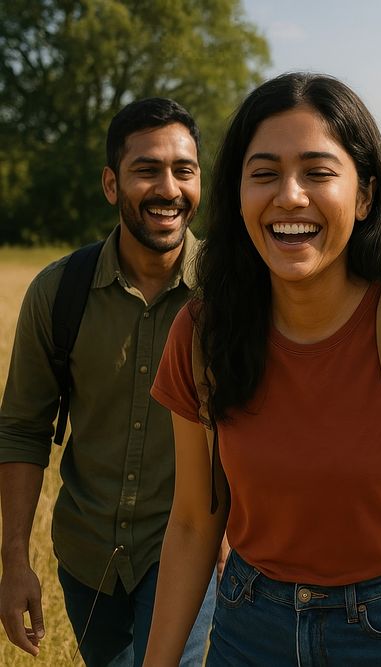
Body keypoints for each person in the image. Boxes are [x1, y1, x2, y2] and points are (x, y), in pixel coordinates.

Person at [142, 72, 381, 667]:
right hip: (249, 625)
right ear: (238, 194)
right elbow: (193, 522)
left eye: (318, 172)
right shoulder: (201, 335)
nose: (290, 196)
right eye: (263, 173)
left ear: (365, 195)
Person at [0, 98, 215, 665]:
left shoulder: (233, 296)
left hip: (191, 554)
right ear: (111, 183)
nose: (168, 188)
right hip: (87, 556)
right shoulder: (58, 292)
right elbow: (22, 429)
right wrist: (16, 562)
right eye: (147, 169)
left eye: (184, 170)